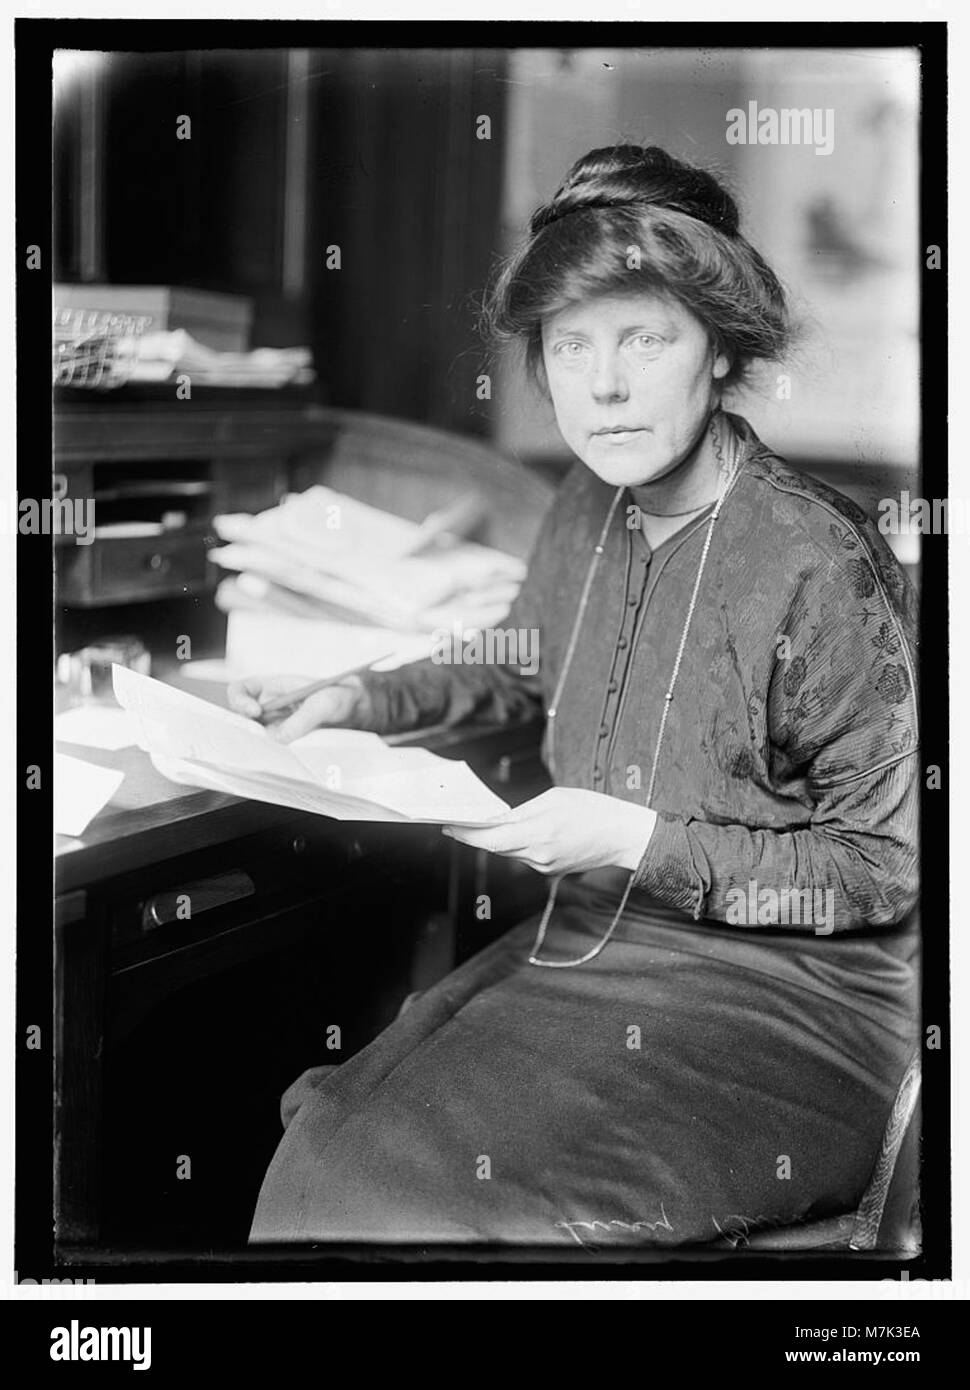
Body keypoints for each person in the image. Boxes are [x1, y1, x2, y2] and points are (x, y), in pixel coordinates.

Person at [234, 145, 920, 1249]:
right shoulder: (578, 506)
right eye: (570, 347)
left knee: (453, 1216)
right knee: (330, 1152)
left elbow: (883, 869)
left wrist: (639, 836)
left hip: (795, 1003)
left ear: (719, 348)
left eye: (645, 338)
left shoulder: (816, 557)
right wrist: (359, 698)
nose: (602, 385)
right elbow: (520, 661)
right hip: (588, 940)